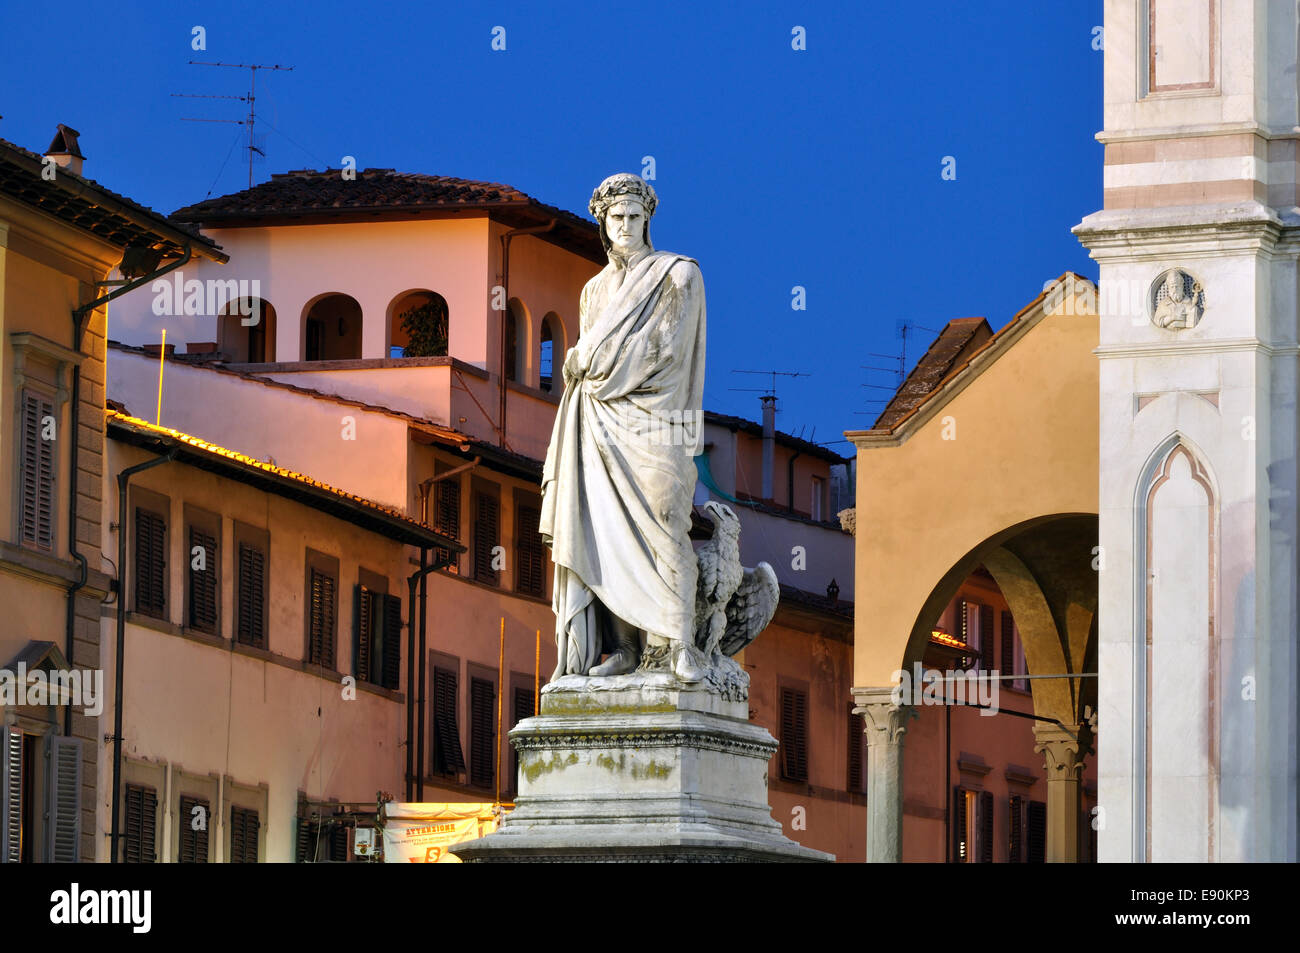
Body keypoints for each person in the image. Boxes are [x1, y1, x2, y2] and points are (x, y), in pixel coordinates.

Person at [539, 173, 707, 682]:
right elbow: (598, 353)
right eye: (618, 219)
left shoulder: (678, 275)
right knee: (601, 526)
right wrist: (587, 364)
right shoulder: (593, 291)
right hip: (600, 423)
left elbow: (667, 348)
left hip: (659, 424)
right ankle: (625, 647)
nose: (628, 226)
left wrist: (586, 360)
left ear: (648, 220)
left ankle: (679, 643)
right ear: (603, 226)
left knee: (663, 514)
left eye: (636, 217)